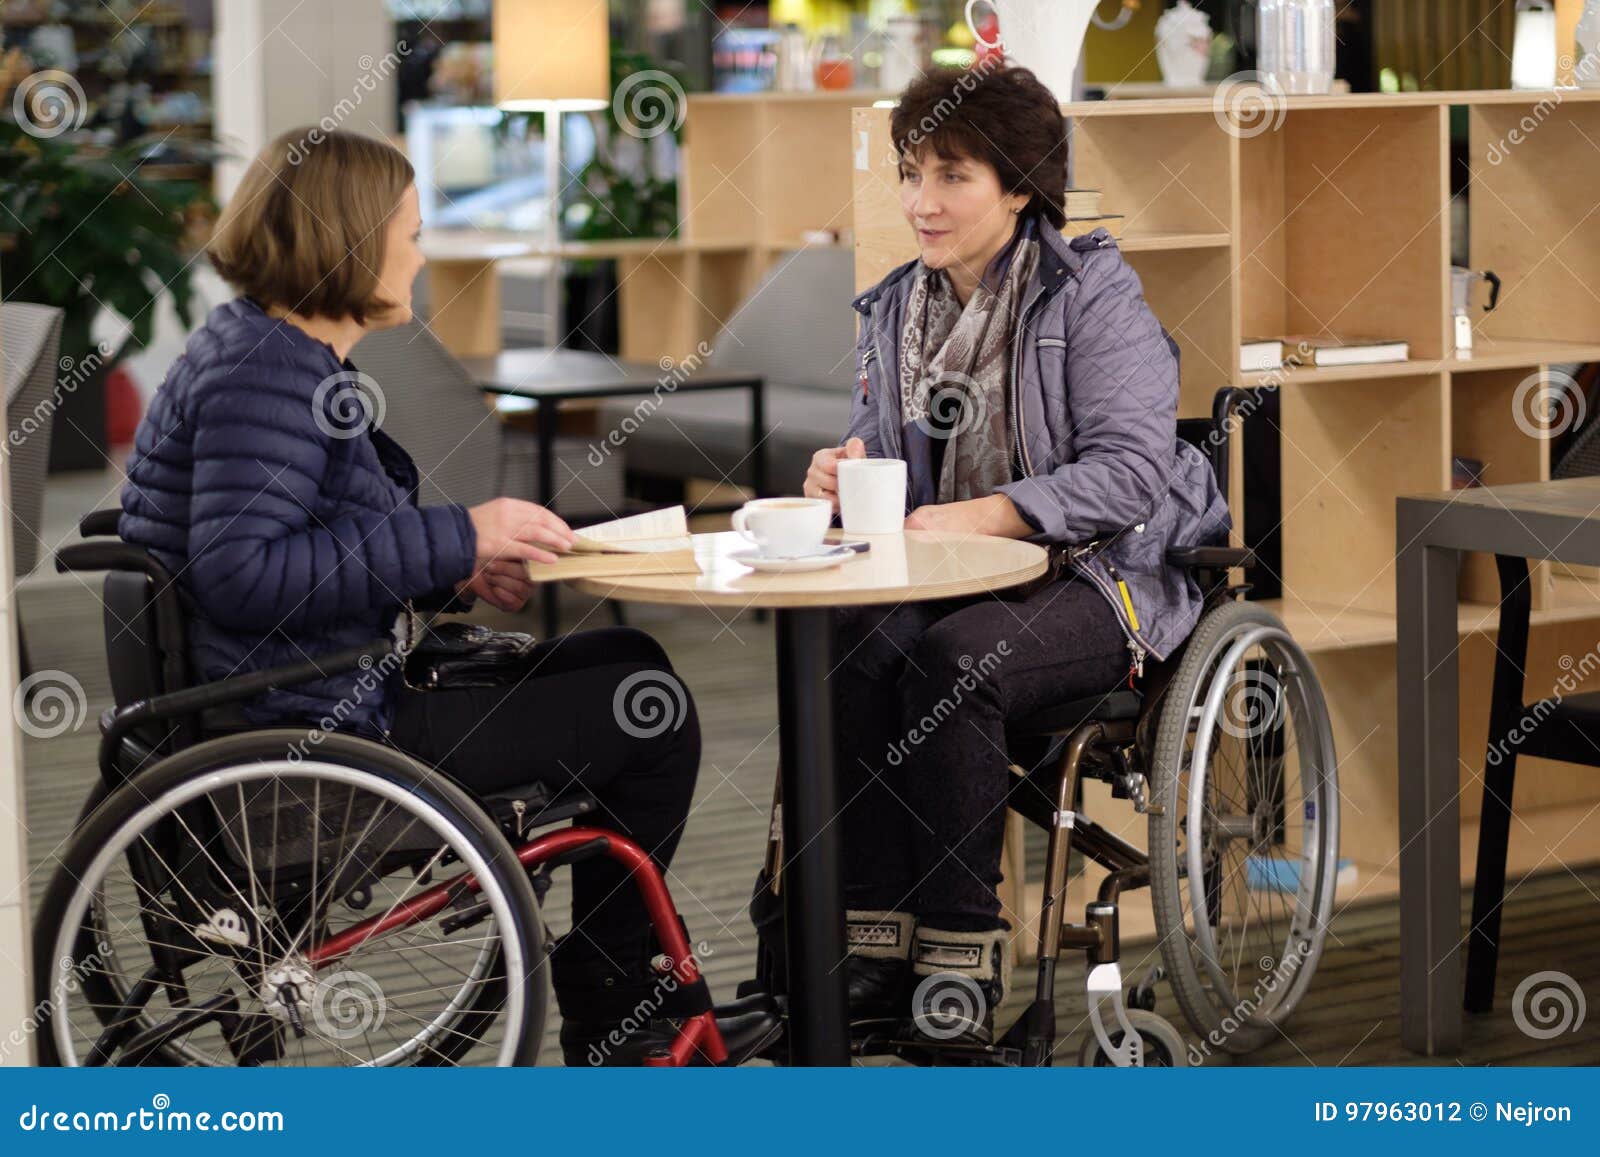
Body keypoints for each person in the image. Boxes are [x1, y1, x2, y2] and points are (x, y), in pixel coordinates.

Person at [118, 128, 700, 1065]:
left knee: (632, 664)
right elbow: (243, 573)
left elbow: (309, 547)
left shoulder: (266, 351)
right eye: (413, 235)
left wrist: (453, 567)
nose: (423, 257)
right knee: (652, 713)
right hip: (314, 744)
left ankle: (620, 1002)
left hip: (299, 698)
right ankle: (616, 1016)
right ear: (351, 243)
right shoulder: (269, 370)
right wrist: (461, 531)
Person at [802, 66, 1232, 1044]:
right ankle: (873, 944)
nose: (919, 201)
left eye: (951, 176)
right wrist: (847, 466)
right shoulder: (898, 310)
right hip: (951, 573)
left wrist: (989, 513)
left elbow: (1129, 473)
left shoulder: (1090, 296)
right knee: (852, 639)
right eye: (911, 173)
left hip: (1100, 575)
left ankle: (958, 955)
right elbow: (894, 470)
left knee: (955, 661)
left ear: (1019, 184)